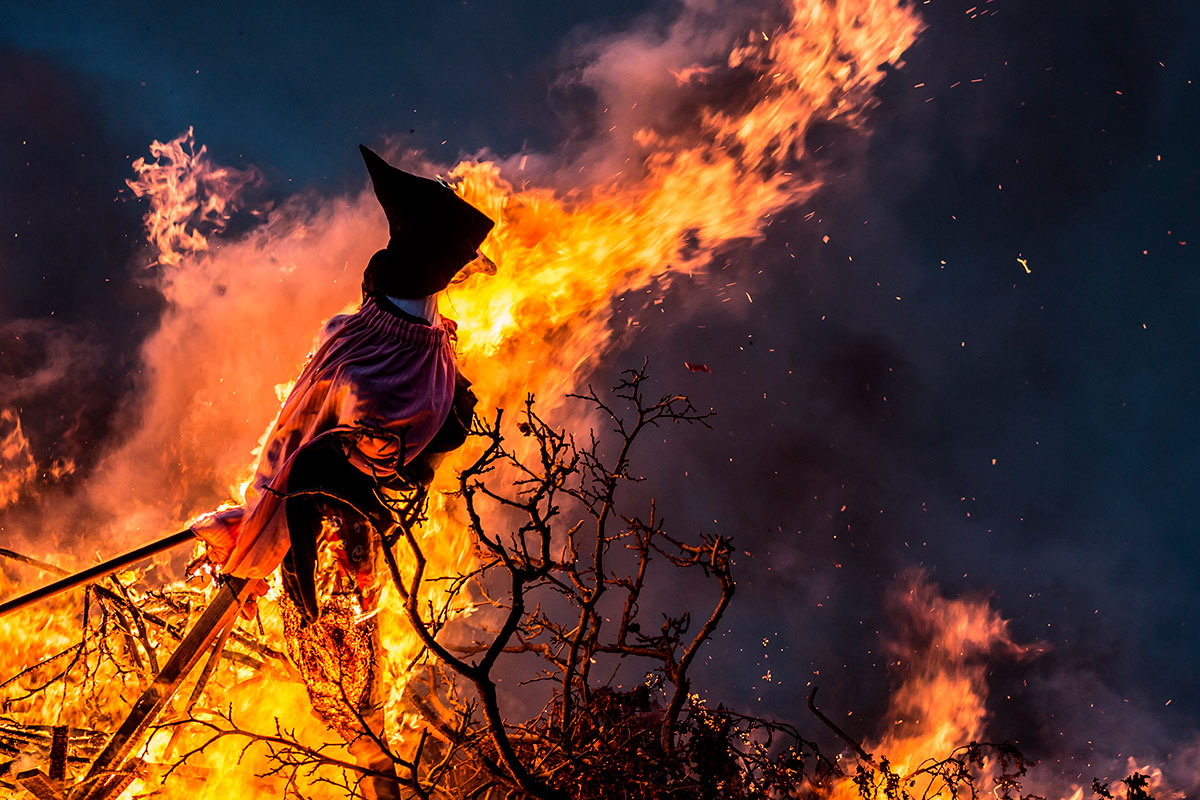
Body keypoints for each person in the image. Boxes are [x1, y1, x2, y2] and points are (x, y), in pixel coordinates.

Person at [190, 145, 493, 800]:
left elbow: (290, 445)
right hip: (347, 523)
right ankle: (376, 767)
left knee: (342, 664)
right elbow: (351, 440)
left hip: (321, 517)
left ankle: (376, 770)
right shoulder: (432, 355)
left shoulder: (366, 348)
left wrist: (254, 536)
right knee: (351, 663)